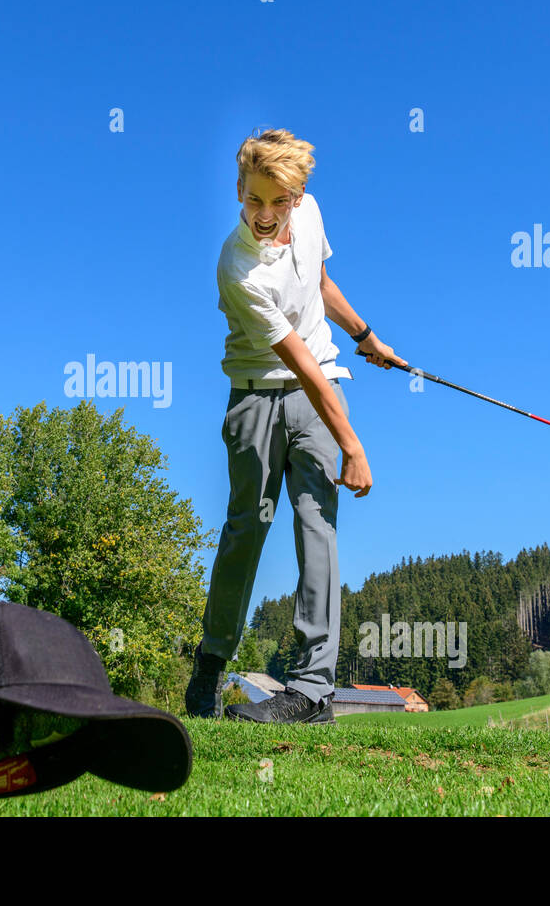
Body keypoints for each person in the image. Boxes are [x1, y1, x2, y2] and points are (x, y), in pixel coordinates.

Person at [185, 129, 407, 723]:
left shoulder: (308, 213)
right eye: (253, 199)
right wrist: (353, 446)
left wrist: (366, 337)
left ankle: (312, 691)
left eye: (277, 202)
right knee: (246, 531)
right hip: (258, 397)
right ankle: (209, 670)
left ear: (298, 196)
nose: (264, 214)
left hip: (318, 392)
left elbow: (320, 284)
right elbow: (300, 364)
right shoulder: (238, 268)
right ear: (239, 189)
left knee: (317, 524)